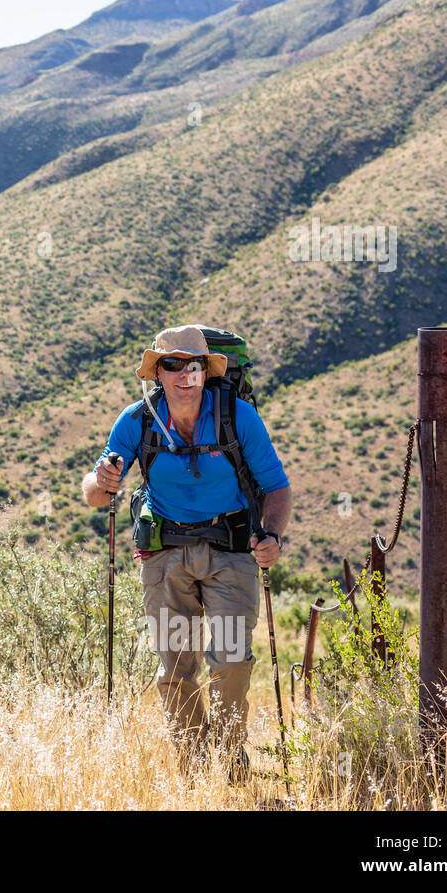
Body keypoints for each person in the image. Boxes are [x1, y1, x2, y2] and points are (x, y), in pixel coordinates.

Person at [81, 325, 291, 780]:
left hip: (231, 552)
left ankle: (231, 761)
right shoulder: (137, 420)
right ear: (157, 371)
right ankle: (194, 770)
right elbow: (95, 494)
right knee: (176, 667)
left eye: (192, 365)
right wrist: (102, 481)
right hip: (165, 557)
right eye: (171, 364)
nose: (183, 374)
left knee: (232, 661)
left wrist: (272, 536)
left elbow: (276, 488)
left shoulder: (238, 418)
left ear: (205, 371)